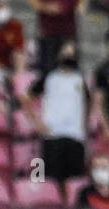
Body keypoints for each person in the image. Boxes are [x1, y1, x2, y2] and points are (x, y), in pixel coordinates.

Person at [20, 41, 89, 185]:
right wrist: (37, 123)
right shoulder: (49, 77)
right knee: (52, 181)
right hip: (52, 135)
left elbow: (90, 102)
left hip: (75, 135)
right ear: (58, 55)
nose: (68, 56)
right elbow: (25, 97)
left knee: (75, 182)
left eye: (71, 53)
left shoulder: (81, 78)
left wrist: (85, 124)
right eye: (65, 53)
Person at [30, 0, 83, 78]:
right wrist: (46, 7)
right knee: (47, 71)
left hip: (67, 35)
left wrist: (45, 7)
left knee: (71, 69)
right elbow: (36, 4)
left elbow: (79, 8)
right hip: (48, 35)